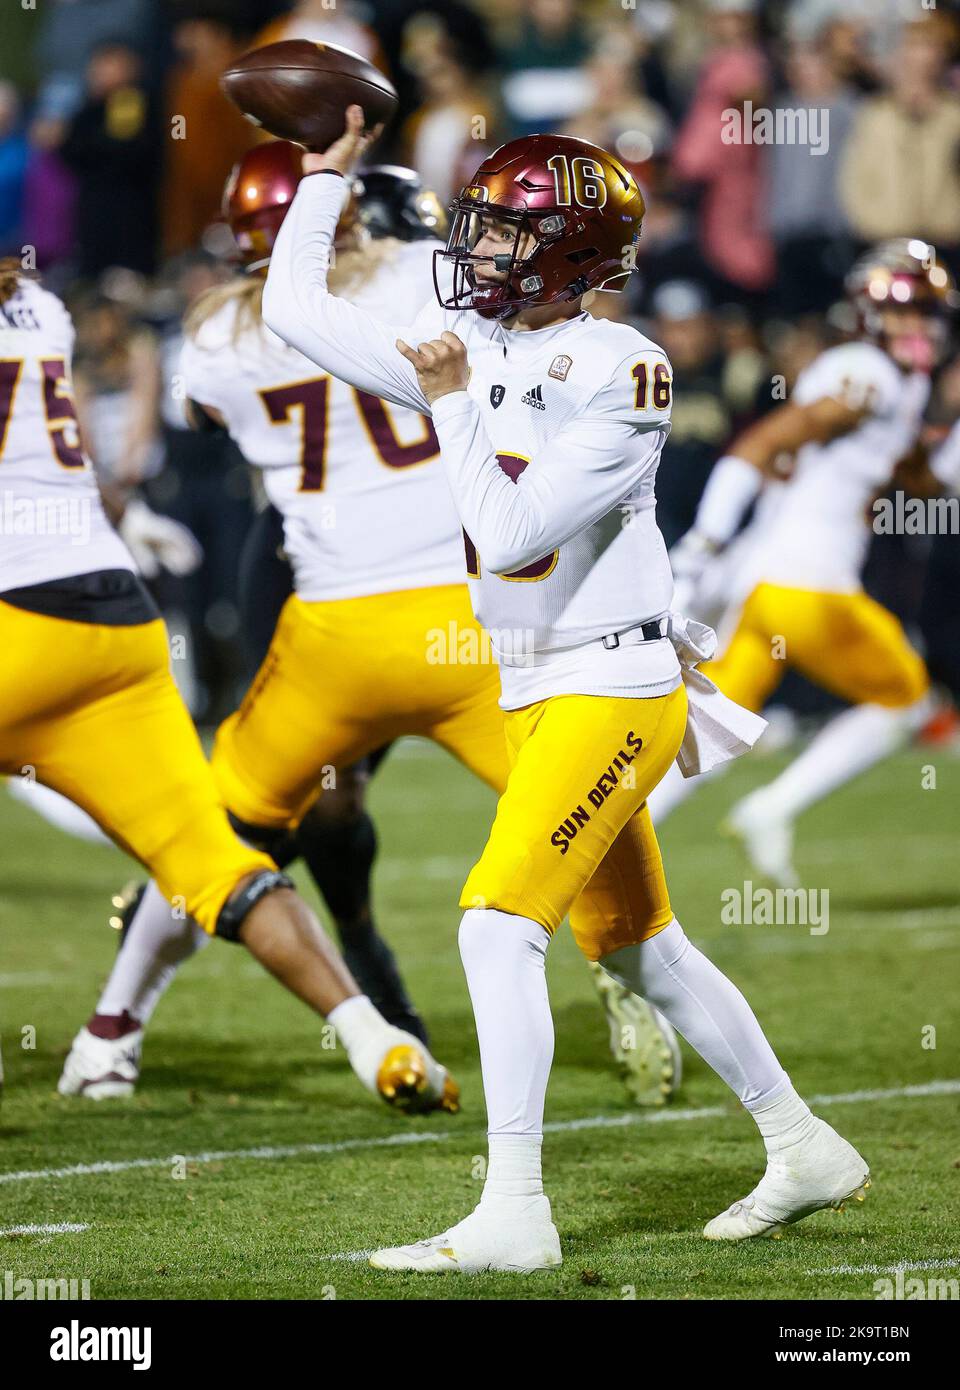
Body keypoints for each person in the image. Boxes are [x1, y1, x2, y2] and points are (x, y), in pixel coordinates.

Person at [260, 108, 870, 1270]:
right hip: (540, 684)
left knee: (496, 922)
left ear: (569, 254)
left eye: (500, 235)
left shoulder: (620, 367)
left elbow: (511, 532)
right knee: (645, 948)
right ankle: (803, 1147)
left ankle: (517, 1212)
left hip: (617, 683)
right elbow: (299, 311)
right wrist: (325, 182)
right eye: (479, 230)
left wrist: (442, 400)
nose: (475, 252)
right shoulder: (479, 345)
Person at [60, 143, 683, 1108]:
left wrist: (316, 182)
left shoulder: (221, 337)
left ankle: (113, 1029)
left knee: (208, 838)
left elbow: (246, 357)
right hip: (475, 630)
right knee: (584, 821)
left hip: (337, 635)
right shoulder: (439, 295)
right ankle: (634, 977)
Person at [0, 254, 454, 1117]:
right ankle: (370, 1036)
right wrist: (127, 516)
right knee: (213, 863)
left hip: (14, 623)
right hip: (112, 621)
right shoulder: (42, 313)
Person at [659, 240, 954, 885]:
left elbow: (903, 473)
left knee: (714, 731)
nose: (922, 329)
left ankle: (620, 840)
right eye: (908, 313)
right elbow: (761, 444)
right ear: (871, 314)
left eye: (929, 314)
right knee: (906, 698)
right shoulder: (869, 375)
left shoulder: (889, 379)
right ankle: (773, 808)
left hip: (766, 579)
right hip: (807, 581)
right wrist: (704, 541)